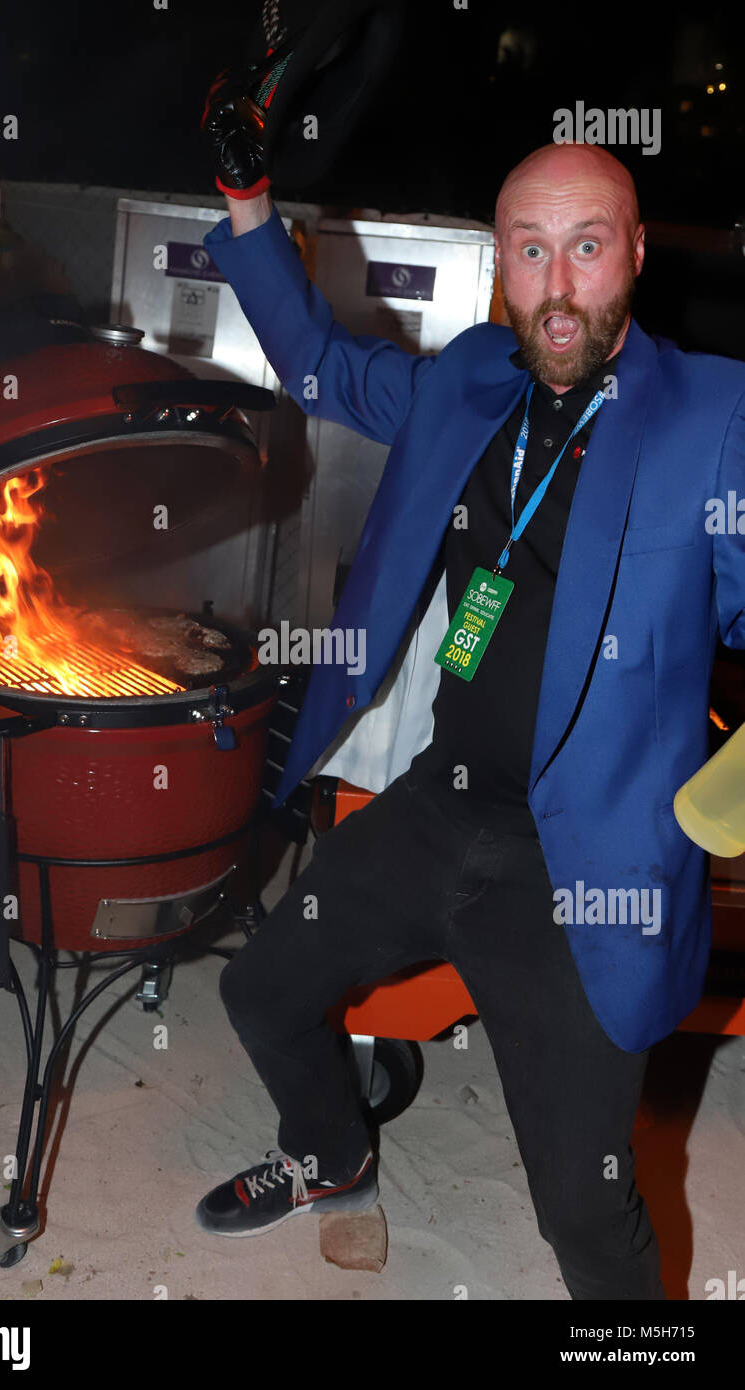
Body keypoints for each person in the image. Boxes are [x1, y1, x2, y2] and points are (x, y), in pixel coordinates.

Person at [193, 90, 745, 1299]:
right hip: (437, 809)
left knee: (585, 1214)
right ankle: (332, 1156)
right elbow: (321, 368)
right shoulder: (468, 378)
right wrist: (247, 204)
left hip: (583, 864)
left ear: (633, 252)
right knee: (259, 988)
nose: (557, 287)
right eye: (529, 250)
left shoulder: (714, 417)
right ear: (499, 262)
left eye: (585, 246)